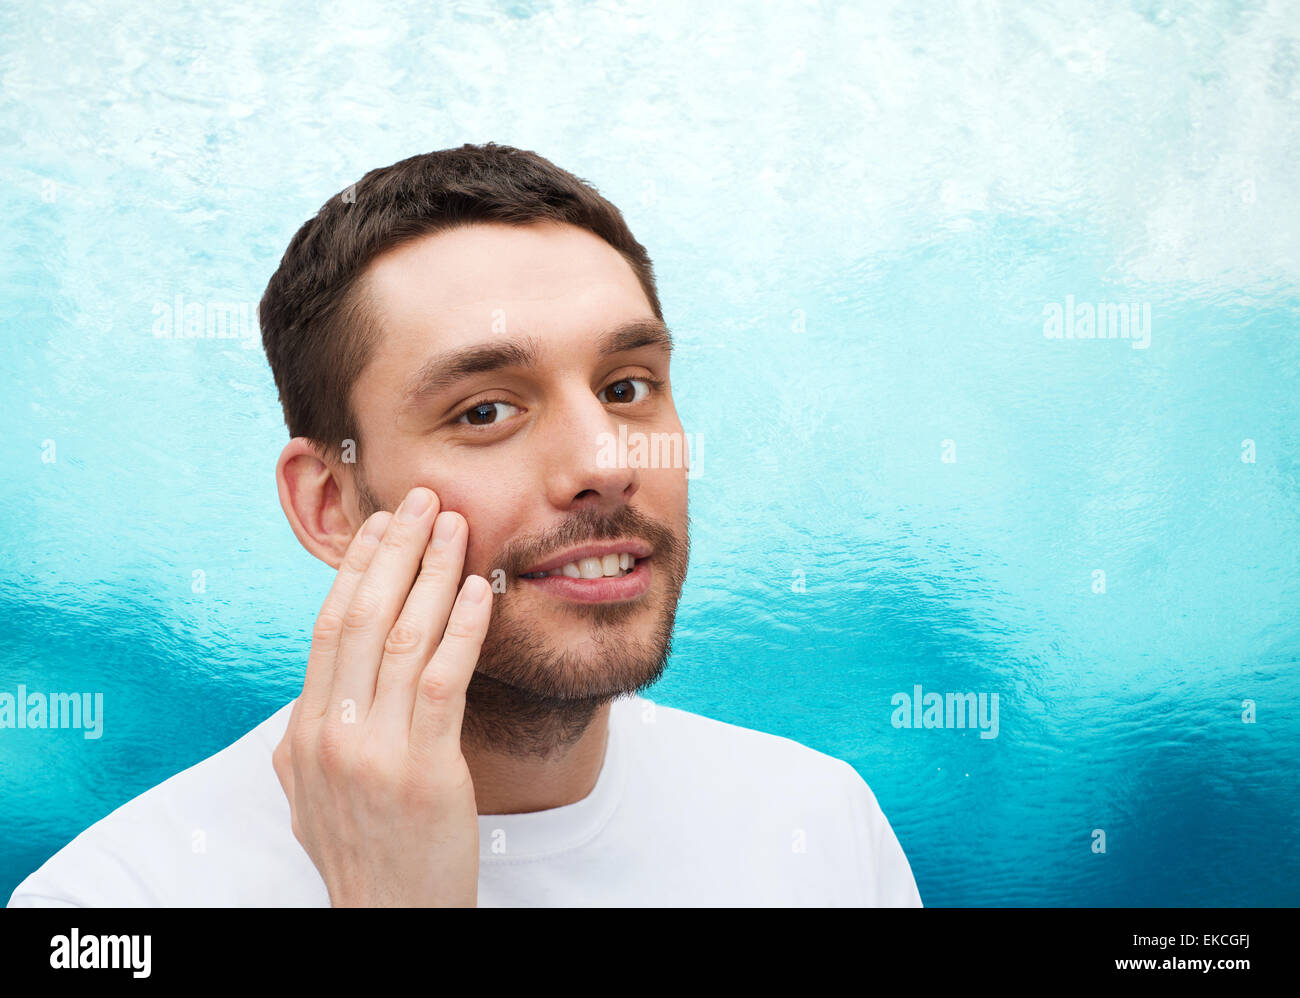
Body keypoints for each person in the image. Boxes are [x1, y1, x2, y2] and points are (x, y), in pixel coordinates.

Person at [7, 143, 922, 907]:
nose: (607, 464)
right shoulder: (110, 904)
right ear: (330, 505)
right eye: (485, 411)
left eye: (627, 388)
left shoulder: (820, 826)